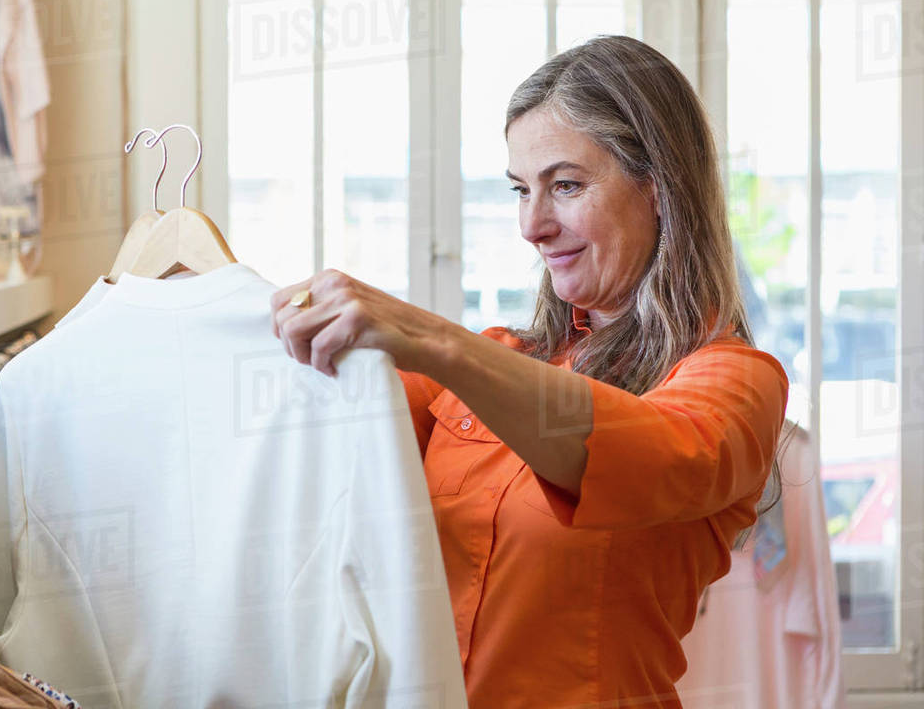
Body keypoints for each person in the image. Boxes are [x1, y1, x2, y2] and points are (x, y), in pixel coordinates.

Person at [270, 35, 789, 709]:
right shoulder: (495, 360)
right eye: (522, 190)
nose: (532, 225)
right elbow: (309, 426)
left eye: (566, 185)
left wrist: (434, 339)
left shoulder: (735, 383)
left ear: (660, 189)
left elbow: (644, 452)